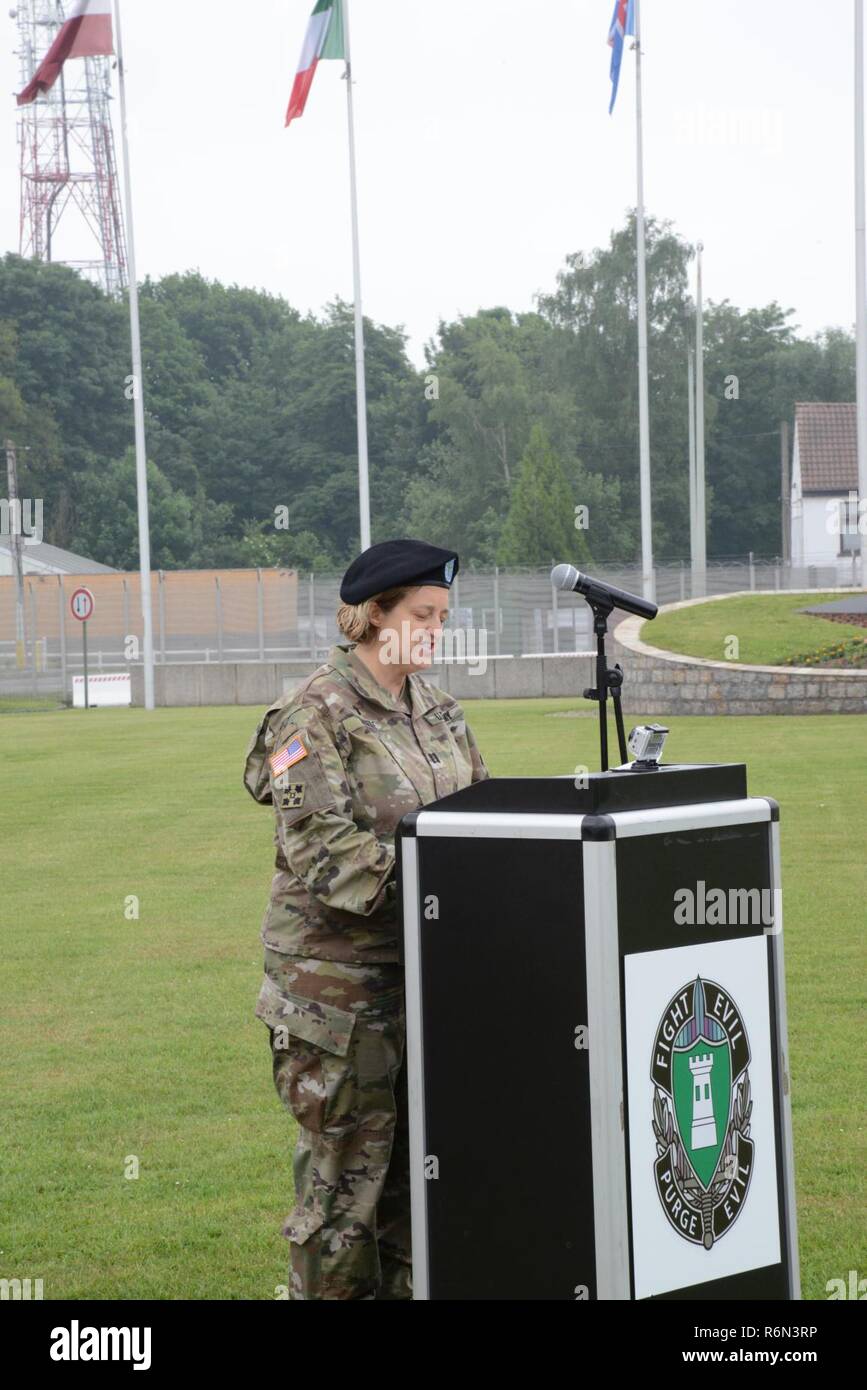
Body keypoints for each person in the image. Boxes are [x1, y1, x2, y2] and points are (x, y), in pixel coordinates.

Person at [243, 538, 490, 1300]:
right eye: (422, 614)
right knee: (345, 1195)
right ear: (372, 615)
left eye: (443, 616)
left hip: (425, 984)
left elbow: (482, 813)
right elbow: (327, 854)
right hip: (338, 1003)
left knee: (421, 1186)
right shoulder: (310, 715)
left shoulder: (436, 710)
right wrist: (447, 901)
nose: (435, 629)